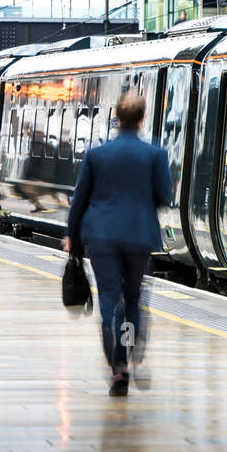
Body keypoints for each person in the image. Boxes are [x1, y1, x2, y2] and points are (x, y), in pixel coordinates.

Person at [64, 92, 171, 397]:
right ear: (141, 120)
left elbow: (80, 199)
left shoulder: (97, 155)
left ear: (116, 119)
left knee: (109, 300)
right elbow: (164, 196)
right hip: (138, 235)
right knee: (133, 299)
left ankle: (118, 370)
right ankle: (131, 354)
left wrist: (73, 236)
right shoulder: (155, 155)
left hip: (101, 236)